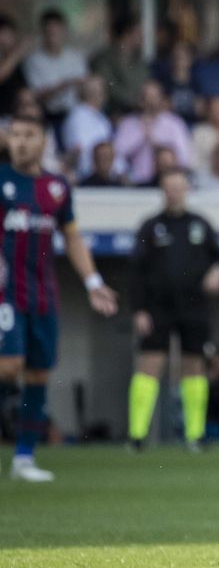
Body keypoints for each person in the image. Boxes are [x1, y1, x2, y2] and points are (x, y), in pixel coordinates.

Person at [0, 114, 118, 481]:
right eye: (14, 134)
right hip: (5, 294)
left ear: (43, 141)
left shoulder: (57, 188)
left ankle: (24, 459)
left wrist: (93, 281)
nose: (19, 141)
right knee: (9, 366)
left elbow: (72, 236)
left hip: (43, 294)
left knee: (38, 374)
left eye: (28, 135)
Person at [126, 168, 219, 452]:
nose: (174, 192)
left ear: (186, 189)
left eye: (179, 186)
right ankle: (137, 434)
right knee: (150, 363)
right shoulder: (150, 226)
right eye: (169, 187)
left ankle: (195, 434)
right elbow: (136, 272)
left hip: (194, 305)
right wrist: (139, 309)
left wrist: (218, 273)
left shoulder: (201, 224)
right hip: (157, 306)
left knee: (194, 365)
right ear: (162, 190)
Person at [112, 80, 192, 184]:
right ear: (140, 100)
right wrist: (142, 137)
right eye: (146, 97)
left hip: (166, 183)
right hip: (135, 184)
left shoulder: (174, 124)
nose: (150, 101)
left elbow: (184, 158)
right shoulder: (127, 124)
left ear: (162, 99)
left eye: (154, 97)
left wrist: (158, 145)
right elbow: (116, 156)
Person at [22, 9, 87, 130]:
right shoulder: (33, 60)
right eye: (49, 32)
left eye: (57, 32)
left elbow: (85, 88)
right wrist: (65, 84)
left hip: (75, 115)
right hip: (47, 116)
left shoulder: (76, 57)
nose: (53, 37)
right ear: (42, 32)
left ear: (64, 31)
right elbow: (35, 95)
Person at [89, 12, 149, 115]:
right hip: (112, 114)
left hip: (139, 115)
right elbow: (109, 87)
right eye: (138, 32)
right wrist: (135, 101)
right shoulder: (104, 59)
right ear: (127, 34)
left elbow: (145, 84)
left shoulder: (139, 60)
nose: (142, 36)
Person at [61, 75, 113, 179]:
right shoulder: (77, 115)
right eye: (94, 91)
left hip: (105, 172)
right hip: (86, 174)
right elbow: (80, 149)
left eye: (100, 91)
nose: (98, 95)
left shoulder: (103, 119)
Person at [0, 14, 32, 117]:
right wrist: (18, 52)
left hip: (17, 116)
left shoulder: (20, 61)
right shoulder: (15, 56)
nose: (7, 40)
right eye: (4, 35)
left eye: (10, 35)